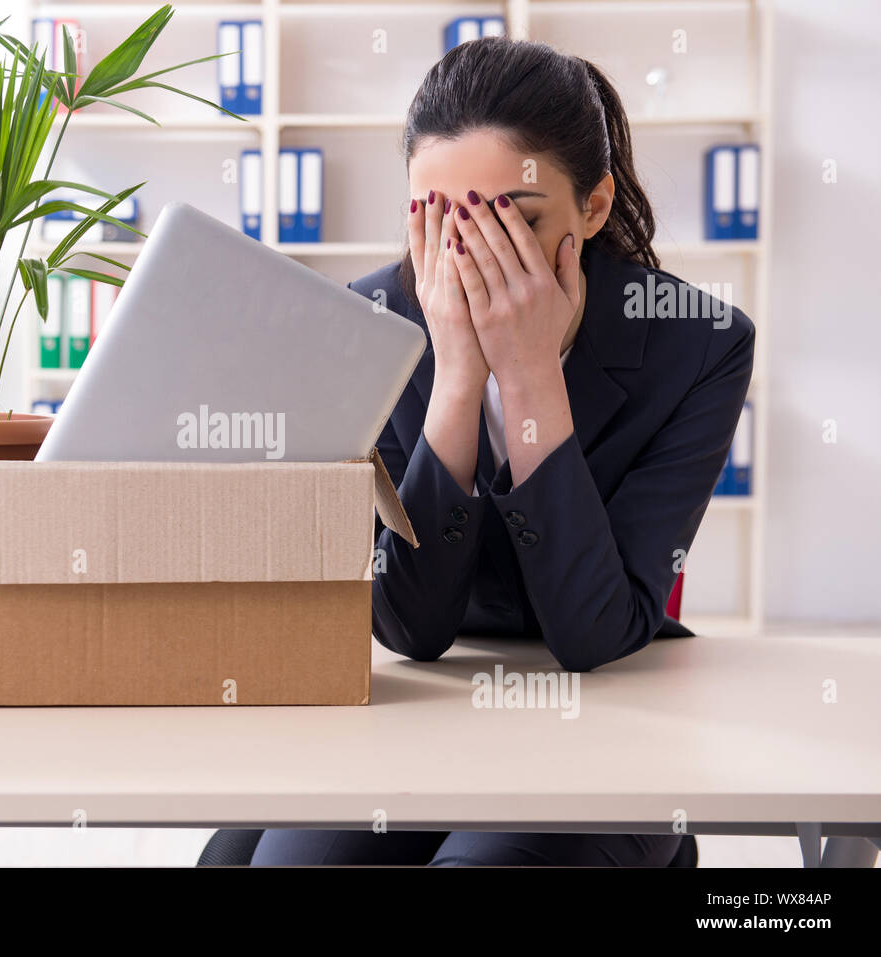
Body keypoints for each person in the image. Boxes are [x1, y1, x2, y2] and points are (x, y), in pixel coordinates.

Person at [237, 36, 754, 866]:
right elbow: (409, 624)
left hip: (610, 709)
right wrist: (454, 382)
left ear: (592, 206)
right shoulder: (366, 323)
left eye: (512, 221)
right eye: (439, 222)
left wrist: (529, 378)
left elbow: (594, 633)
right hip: (430, 700)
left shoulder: (700, 345)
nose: (468, 261)